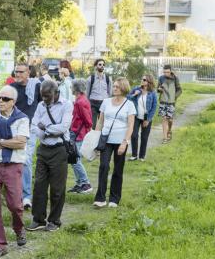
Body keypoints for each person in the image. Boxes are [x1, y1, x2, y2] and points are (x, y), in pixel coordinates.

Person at [0, 85, 29, 259]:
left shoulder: (22, 119)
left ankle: (19, 229)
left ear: (13, 102)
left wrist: (0, 141)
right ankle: (0, 244)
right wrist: (9, 141)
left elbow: (21, 143)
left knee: (15, 205)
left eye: (5, 99)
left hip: (13, 165)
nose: (0, 102)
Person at [26, 80, 71, 232]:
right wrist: (47, 130)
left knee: (57, 188)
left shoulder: (66, 105)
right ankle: (38, 219)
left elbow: (64, 127)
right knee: (39, 185)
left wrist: (45, 129)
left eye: (47, 96)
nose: (45, 99)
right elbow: (34, 125)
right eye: (42, 96)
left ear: (56, 92)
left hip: (59, 149)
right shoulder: (40, 106)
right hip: (43, 148)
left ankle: (54, 220)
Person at [93, 78, 136, 208]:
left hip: (121, 140)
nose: (115, 88)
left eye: (117, 87)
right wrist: (95, 138)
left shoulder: (129, 105)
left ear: (123, 88)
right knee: (104, 166)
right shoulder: (106, 102)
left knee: (118, 169)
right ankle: (100, 198)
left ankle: (114, 198)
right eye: (114, 86)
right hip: (106, 139)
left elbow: (130, 125)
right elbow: (100, 122)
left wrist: (125, 142)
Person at [10, 63, 41, 211]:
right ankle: (14, 193)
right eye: (16, 72)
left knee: (26, 160)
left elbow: (43, 104)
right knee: (13, 161)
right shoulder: (12, 89)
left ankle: (27, 196)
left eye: (21, 72)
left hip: (31, 129)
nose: (18, 74)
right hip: (14, 129)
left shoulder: (36, 86)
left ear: (28, 72)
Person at [68, 79, 94, 194]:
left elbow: (88, 120)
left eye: (72, 87)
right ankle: (79, 183)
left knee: (75, 159)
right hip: (77, 132)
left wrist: (87, 129)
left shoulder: (80, 102)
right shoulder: (80, 99)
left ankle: (85, 183)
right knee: (74, 159)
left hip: (79, 133)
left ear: (76, 89)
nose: (70, 88)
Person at [127, 75, 158, 161]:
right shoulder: (137, 89)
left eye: (144, 79)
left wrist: (148, 119)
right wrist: (134, 94)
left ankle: (142, 156)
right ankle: (134, 155)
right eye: (142, 79)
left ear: (149, 81)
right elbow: (127, 98)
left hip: (146, 117)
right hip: (136, 116)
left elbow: (154, 107)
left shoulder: (153, 93)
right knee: (134, 135)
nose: (142, 81)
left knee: (144, 137)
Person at [157, 64, 183, 142]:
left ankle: (169, 130)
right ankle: (165, 138)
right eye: (164, 72)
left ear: (170, 71)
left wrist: (174, 97)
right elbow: (157, 89)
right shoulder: (161, 78)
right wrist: (159, 89)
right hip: (163, 101)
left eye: (167, 72)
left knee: (170, 120)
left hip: (171, 103)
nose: (166, 74)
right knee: (164, 118)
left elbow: (180, 90)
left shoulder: (175, 79)